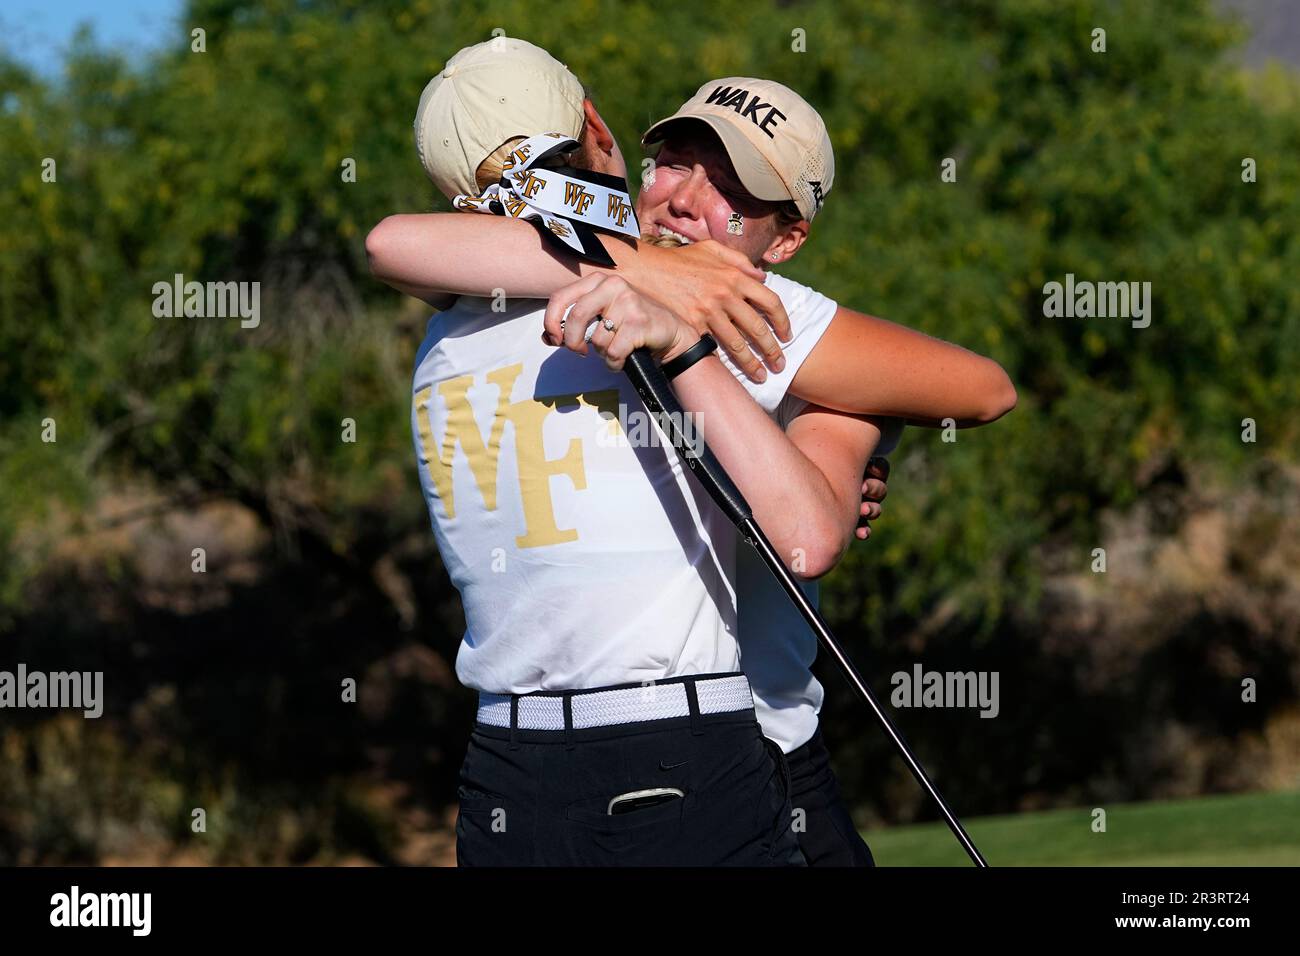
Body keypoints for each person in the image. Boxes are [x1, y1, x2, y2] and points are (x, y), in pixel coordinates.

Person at [368, 39, 1016, 866]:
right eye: (675, 162)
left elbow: (985, 389)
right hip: (696, 759)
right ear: (609, 141)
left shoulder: (750, 308)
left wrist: (837, 432)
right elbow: (399, 240)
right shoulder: (637, 280)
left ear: (784, 239)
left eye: (734, 188)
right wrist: (649, 273)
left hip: (750, 749)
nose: (685, 196)